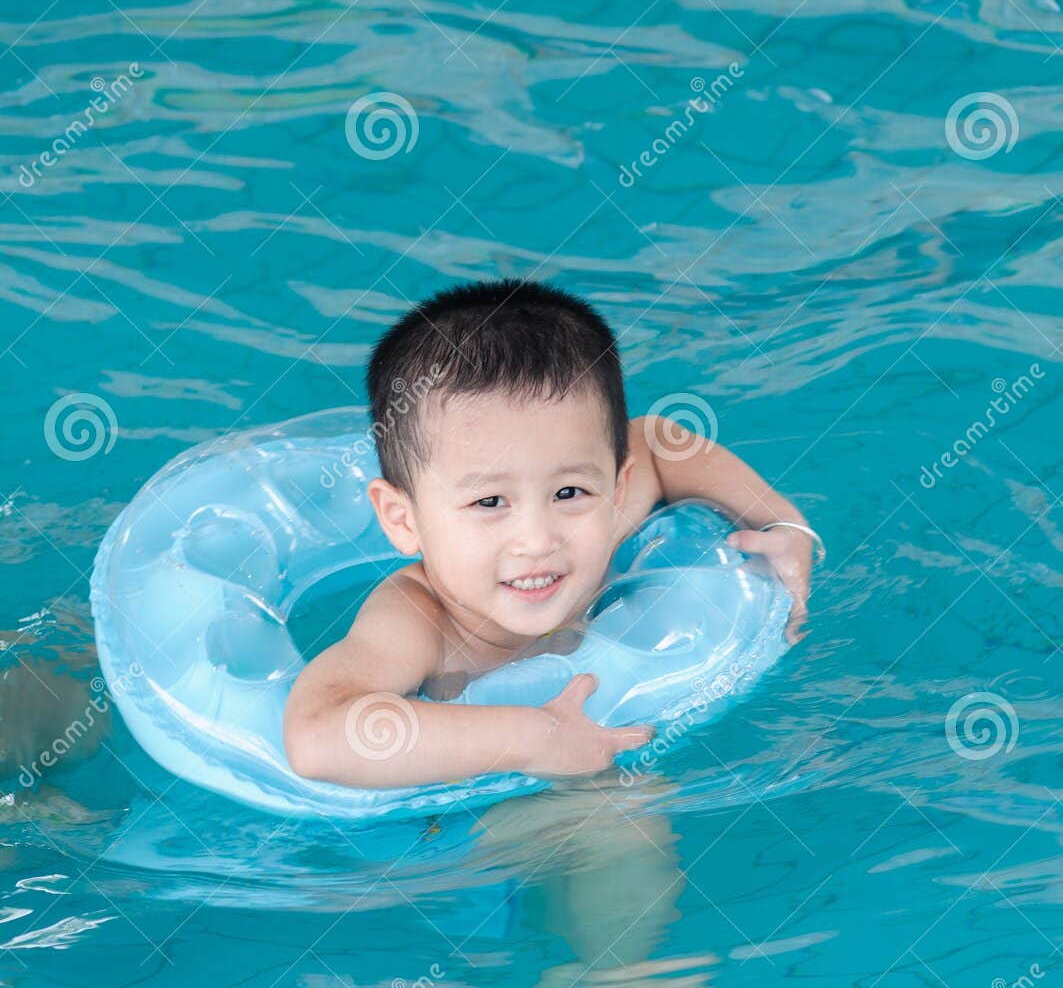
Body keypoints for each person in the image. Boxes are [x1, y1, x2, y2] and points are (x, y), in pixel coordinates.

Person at [284, 279, 822, 789]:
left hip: (600, 739)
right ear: (403, 520)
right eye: (489, 502)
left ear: (616, 490)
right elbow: (317, 734)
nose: (538, 539)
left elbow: (657, 441)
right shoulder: (421, 621)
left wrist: (782, 522)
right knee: (611, 808)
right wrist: (532, 739)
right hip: (462, 806)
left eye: (568, 492)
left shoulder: (598, 521)